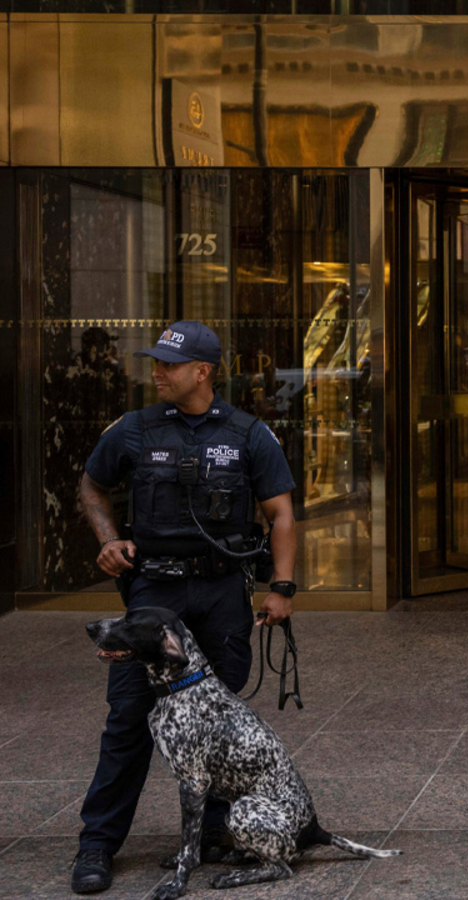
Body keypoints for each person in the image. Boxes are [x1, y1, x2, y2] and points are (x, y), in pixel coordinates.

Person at [71, 321, 298, 895]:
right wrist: (106, 538)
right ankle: (97, 843)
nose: (158, 372)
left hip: (220, 595)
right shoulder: (133, 430)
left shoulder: (248, 434)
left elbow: (281, 513)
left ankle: (218, 830)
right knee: (128, 717)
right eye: (157, 362)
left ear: (203, 371)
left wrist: (283, 589)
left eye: (169, 364)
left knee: (221, 721)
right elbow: (91, 487)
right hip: (154, 595)